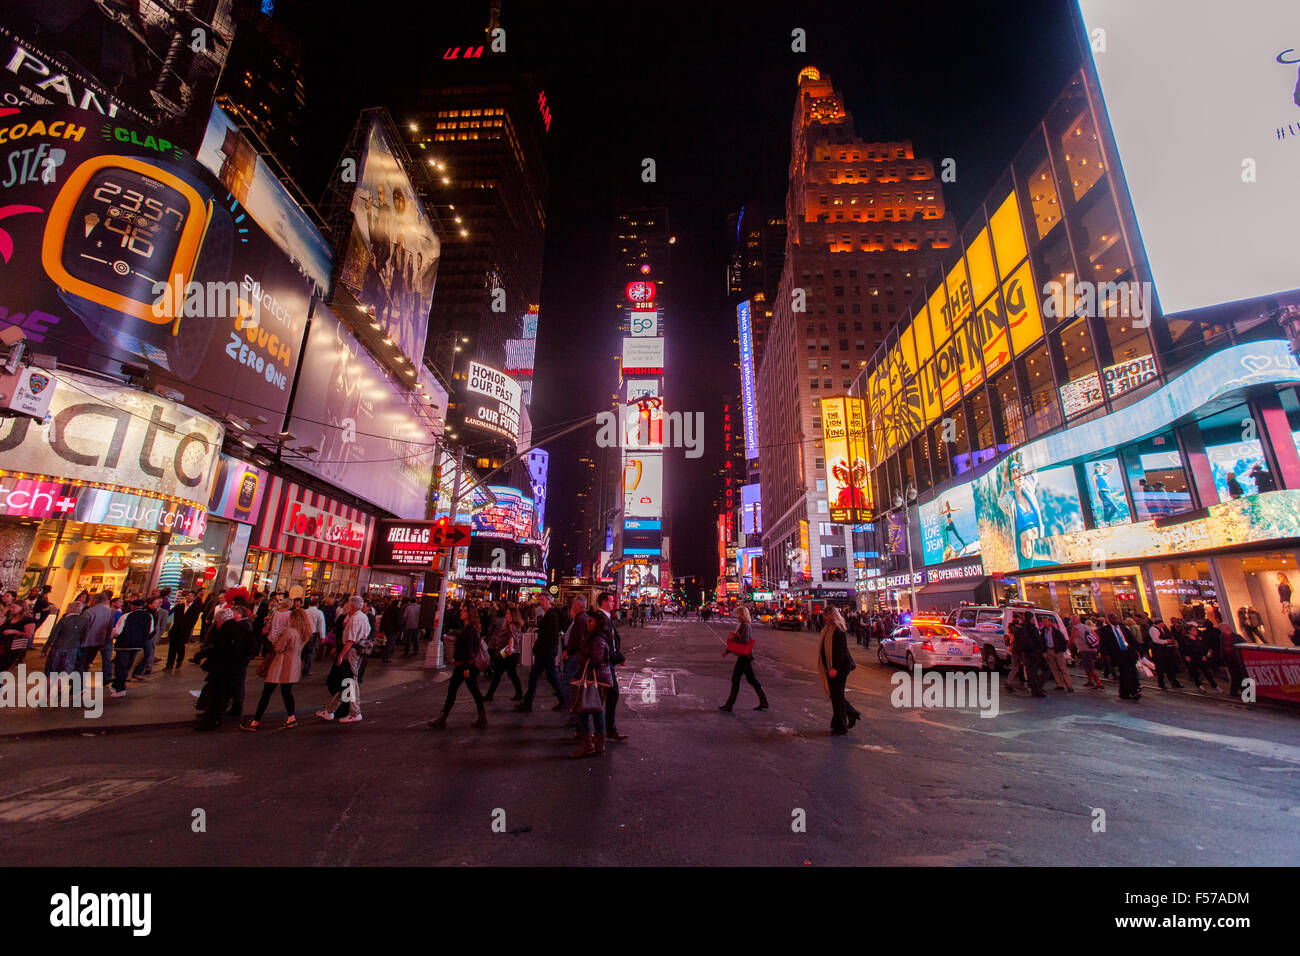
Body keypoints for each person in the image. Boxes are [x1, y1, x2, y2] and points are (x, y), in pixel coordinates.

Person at [242, 605, 311, 730]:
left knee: (267, 693)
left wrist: (276, 641)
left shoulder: (289, 631)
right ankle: (291, 717)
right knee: (286, 692)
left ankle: (256, 721)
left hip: (281, 663)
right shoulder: (304, 633)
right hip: (293, 663)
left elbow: (279, 647)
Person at [194, 603, 255, 730]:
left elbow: (219, 648)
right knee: (221, 694)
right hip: (231, 667)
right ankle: (215, 717)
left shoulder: (228, 629)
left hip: (223, 667)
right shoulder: (239, 628)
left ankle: (211, 719)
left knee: (216, 694)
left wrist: (202, 654)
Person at [427, 604, 488, 729]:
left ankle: (481, 717)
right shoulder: (467, 629)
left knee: (470, 691)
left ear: (469, 615)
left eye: (465, 611)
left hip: (465, 667)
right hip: (462, 666)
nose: (462, 612)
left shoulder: (469, 630)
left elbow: (470, 650)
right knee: (455, 691)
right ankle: (443, 718)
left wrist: (466, 667)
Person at [318, 595, 369, 723]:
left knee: (351, 680)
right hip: (355, 650)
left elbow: (351, 639)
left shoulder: (355, 619)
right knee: (347, 680)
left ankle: (354, 712)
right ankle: (332, 710)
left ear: (352, 605)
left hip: (351, 652)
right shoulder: (362, 617)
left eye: (348, 604)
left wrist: (341, 655)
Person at [571, 610, 613, 758]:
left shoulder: (596, 639)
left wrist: (581, 660)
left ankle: (588, 745)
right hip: (599, 678)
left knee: (584, 710)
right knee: (595, 711)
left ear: (597, 623)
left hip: (596, 679)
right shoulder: (596, 637)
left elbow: (595, 660)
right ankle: (597, 745)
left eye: (590, 621)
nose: (587, 623)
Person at [517, 593, 567, 712]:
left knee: (550, 677)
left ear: (549, 601)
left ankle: (563, 700)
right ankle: (528, 702)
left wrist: (542, 646)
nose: (541, 602)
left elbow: (551, 634)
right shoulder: (549, 614)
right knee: (537, 677)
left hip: (546, 652)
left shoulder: (551, 615)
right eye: (540, 600)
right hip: (545, 651)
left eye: (543, 600)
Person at [818, 606, 858, 735]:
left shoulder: (838, 630)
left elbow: (840, 652)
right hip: (830, 668)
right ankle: (851, 714)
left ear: (832, 615)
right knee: (835, 695)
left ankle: (840, 726)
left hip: (839, 668)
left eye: (826, 615)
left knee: (837, 696)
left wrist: (834, 668)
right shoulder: (827, 630)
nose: (824, 617)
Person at [593, 590, 627, 741]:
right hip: (604, 663)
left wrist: (618, 656)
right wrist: (617, 657)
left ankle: (602, 730)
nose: (613, 604)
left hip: (608, 661)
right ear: (604, 602)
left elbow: (613, 640)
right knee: (607, 694)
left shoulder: (605, 617)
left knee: (605, 695)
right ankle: (603, 730)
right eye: (611, 601)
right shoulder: (600, 618)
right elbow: (606, 643)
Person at [719, 606, 768, 711]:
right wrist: (728, 650)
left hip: (744, 656)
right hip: (744, 656)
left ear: (741, 614)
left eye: (737, 613)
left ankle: (729, 705)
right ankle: (764, 701)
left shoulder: (745, 625)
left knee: (735, 679)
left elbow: (745, 641)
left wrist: (733, 638)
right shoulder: (742, 624)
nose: (735, 615)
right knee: (751, 679)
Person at [483, 606, 524, 702]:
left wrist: (509, 648)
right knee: (510, 674)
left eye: (509, 614)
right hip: (510, 653)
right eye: (507, 613)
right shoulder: (514, 625)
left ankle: (490, 695)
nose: (507, 615)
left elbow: (511, 638)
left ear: (513, 615)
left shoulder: (511, 626)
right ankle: (519, 693)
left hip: (507, 654)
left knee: (498, 674)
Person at [1101, 613, 1142, 701]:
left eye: (1116, 618)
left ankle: (1124, 692)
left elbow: (1132, 640)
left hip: (1129, 653)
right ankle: (1133, 691)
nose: (1115, 620)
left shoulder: (1123, 628)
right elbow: (1103, 644)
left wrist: (1140, 651)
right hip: (1117, 654)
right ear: (1109, 620)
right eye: (1113, 618)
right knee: (1125, 672)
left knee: (1130, 672)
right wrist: (1105, 655)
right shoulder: (1105, 630)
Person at [79, 591, 116, 683]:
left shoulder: (89, 611)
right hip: (99, 641)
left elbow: (82, 628)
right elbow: (109, 628)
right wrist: (106, 640)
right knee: (88, 662)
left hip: (86, 641)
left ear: (95, 600)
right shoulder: (110, 612)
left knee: (81, 663)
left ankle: (78, 685)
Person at [44, 601, 86, 675]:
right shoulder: (84, 620)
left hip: (58, 647)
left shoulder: (64, 620)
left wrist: (45, 649)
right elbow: (85, 635)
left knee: (51, 670)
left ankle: (49, 685)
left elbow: (53, 635)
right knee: (65, 671)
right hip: (73, 648)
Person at [165, 590, 202, 671]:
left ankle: (179, 661)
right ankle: (169, 664)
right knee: (172, 647)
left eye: (191, 596)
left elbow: (193, 621)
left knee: (180, 647)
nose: (189, 597)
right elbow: (176, 618)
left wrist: (187, 630)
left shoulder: (196, 608)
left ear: (194, 598)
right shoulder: (180, 606)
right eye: (188, 595)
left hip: (184, 631)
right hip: (175, 630)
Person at [1040, 615, 1074, 692]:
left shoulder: (1056, 631)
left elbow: (1063, 641)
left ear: (1050, 622)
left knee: (1063, 668)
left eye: (1046, 621)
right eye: (1043, 622)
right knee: (1054, 668)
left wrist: (1061, 650)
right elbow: (1042, 642)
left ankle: (1069, 685)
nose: (1044, 623)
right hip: (1049, 650)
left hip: (1057, 651)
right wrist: (1044, 651)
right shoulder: (1043, 631)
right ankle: (1059, 684)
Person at [1147, 618, 1184, 690]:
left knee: (1169, 667)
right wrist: (1166, 641)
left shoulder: (1161, 629)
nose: (1163, 624)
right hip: (1158, 651)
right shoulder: (1153, 629)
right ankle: (1162, 683)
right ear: (1159, 623)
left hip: (1164, 650)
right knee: (1161, 667)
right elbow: (1156, 640)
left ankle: (1174, 682)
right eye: (1162, 623)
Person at [1070, 615, 1104, 690]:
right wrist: (1095, 644)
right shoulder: (1086, 626)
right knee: (1087, 666)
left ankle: (1099, 683)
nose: (1071, 622)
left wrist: (1068, 647)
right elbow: (1096, 636)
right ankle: (1090, 681)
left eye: (1072, 620)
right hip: (1092, 648)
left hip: (1085, 650)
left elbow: (1072, 638)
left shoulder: (1076, 628)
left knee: (1090, 667)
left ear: (1075, 620)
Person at [301, 595, 327, 677]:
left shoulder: (305, 612)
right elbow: (321, 625)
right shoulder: (319, 613)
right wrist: (322, 636)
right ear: (317, 605)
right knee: (310, 652)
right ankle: (306, 669)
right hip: (313, 633)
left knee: (302, 650)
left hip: (304, 633)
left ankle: (297, 667)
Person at [380, 599, 403, 663]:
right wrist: (400, 629)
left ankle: (385, 656)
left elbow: (383, 619)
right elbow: (398, 621)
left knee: (389, 642)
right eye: (399, 604)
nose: (399, 605)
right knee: (390, 643)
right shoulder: (397, 611)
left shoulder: (388, 610)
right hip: (393, 629)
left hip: (387, 629)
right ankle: (386, 657)